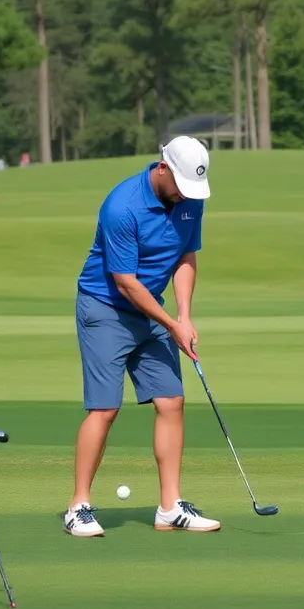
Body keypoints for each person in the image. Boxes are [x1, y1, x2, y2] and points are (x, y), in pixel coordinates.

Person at [64, 136, 220, 537]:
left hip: (156, 310)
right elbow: (125, 282)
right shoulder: (122, 206)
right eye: (183, 185)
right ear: (163, 167)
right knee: (104, 408)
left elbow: (186, 257)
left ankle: (170, 506)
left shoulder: (190, 197)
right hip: (106, 309)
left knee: (172, 401)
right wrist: (172, 324)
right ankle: (78, 506)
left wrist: (184, 315)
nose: (188, 194)